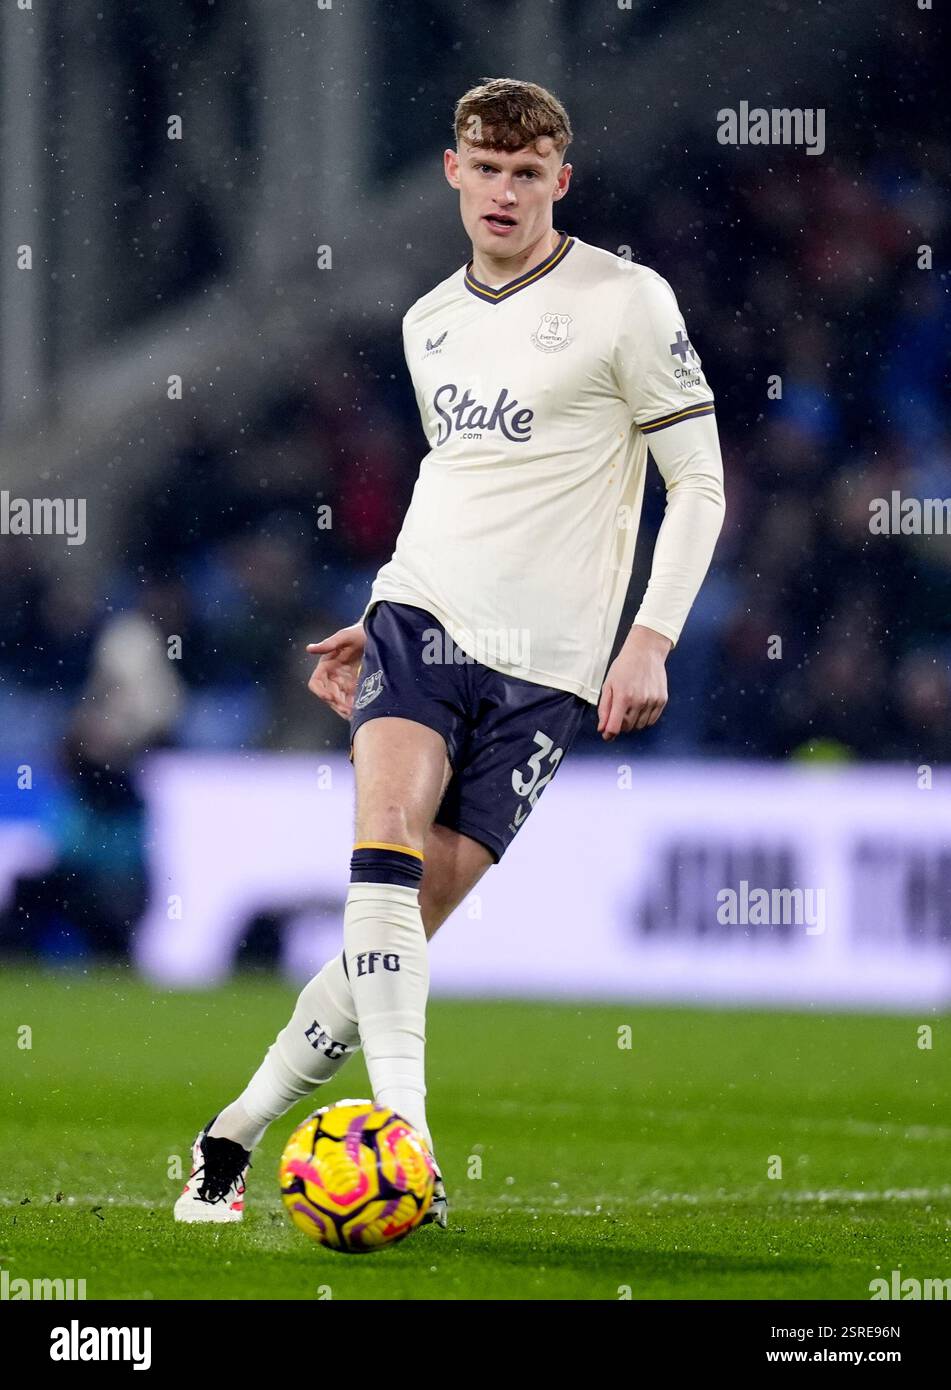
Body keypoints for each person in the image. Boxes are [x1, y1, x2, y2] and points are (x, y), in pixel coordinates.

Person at [174, 77, 725, 1227]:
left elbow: (701, 484)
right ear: (453, 172)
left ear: (560, 182)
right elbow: (458, 485)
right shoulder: (428, 319)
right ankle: (410, 1144)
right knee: (379, 854)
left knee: (401, 925)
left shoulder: (627, 301)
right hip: (420, 619)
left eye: (530, 173)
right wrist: (376, 610)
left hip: (553, 671)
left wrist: (652, 638)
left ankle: (233, 1129)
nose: (507, 191)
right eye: (489, 167)